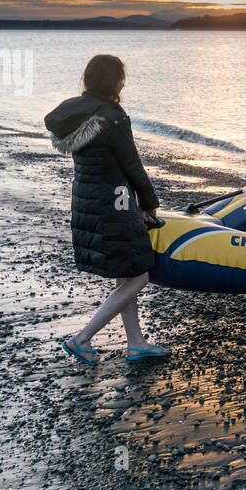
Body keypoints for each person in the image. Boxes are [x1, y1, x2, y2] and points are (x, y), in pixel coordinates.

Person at [44, 54, 167, 364]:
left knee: (126, 273)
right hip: (115, 201)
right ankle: (82, 339)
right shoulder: (113, 116)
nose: (123, 83)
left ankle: (136, 342)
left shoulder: (76, 112)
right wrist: (149, 203)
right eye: (121, 78)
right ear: (115, 81)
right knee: (139, 277)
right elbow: (132, 165)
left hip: (88, 198)